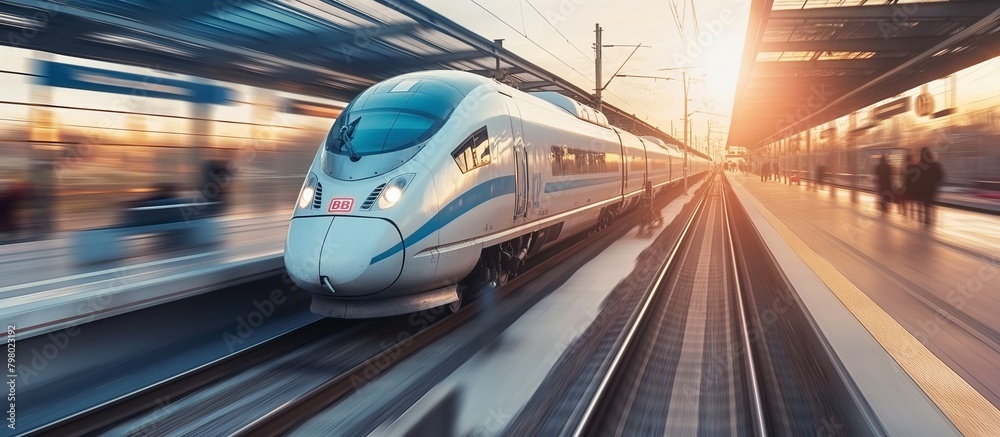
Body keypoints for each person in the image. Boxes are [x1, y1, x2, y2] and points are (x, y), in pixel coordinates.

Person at [914, 147, 944, 228]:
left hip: (922, 187)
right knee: (930, 202)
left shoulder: (919, 165)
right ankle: (931, 218)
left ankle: (925, 218)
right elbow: (940, 176)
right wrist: (936, 182)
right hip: (932, 186)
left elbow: (915, 177)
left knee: (924, 203)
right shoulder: (935, 164)